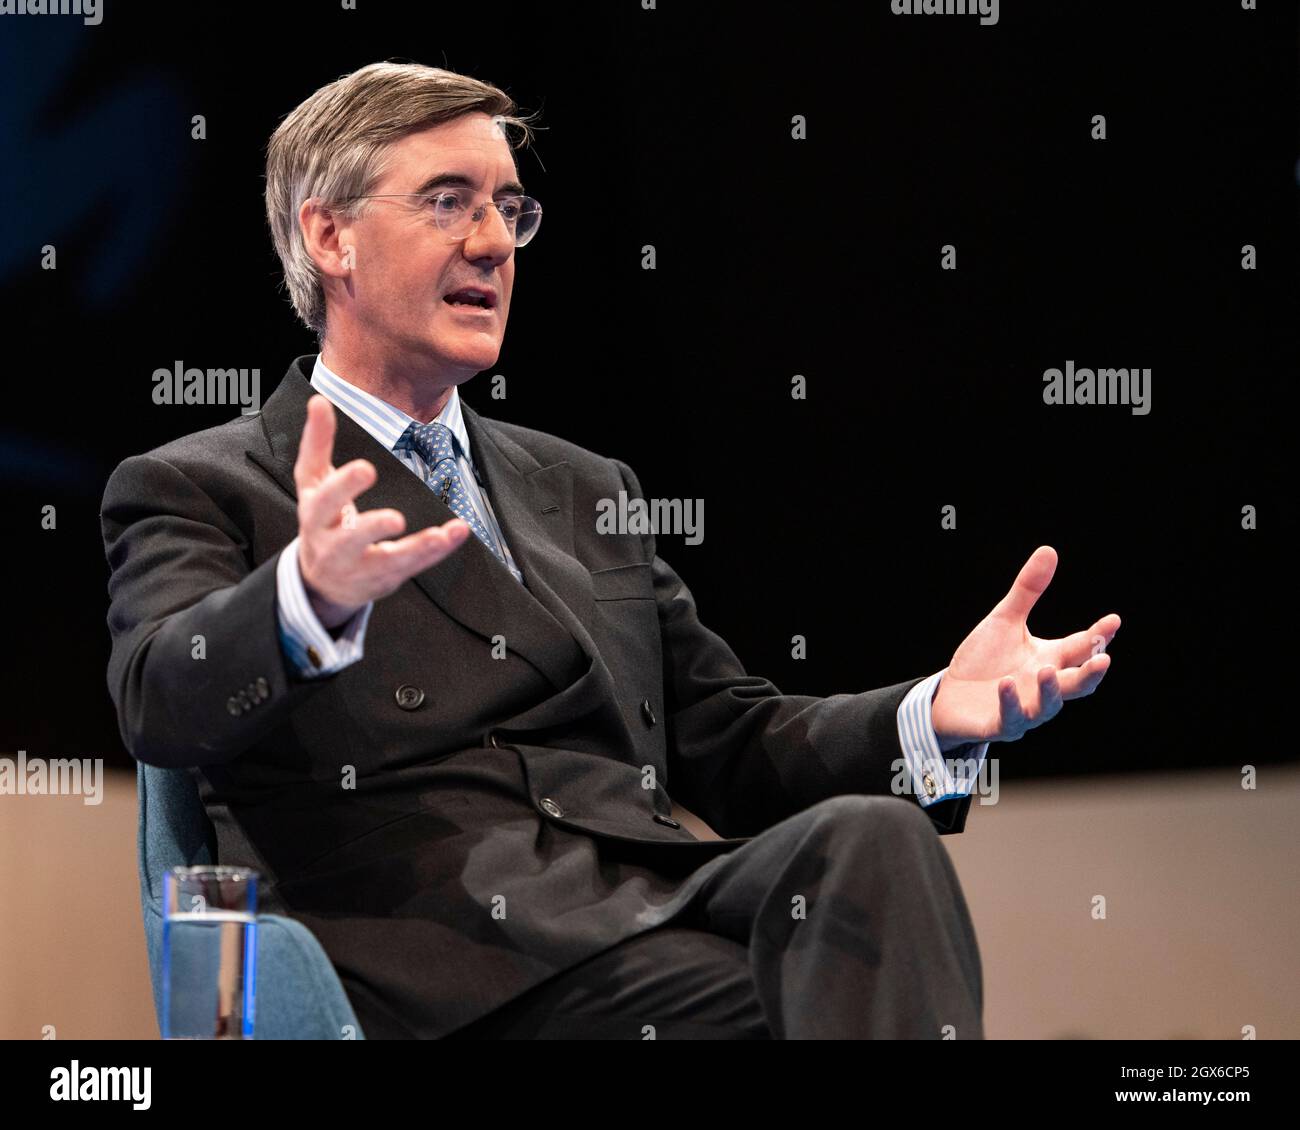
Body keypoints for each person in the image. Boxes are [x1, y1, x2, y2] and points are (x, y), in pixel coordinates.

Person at [101, 62, 1119, 1039]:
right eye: (449, 202)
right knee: (806, 1004)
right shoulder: (207, 482)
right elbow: (160, 701)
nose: (495, 241)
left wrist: (929, 714)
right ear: (331, 236)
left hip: (647, 900)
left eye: (510, 208)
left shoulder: (587, 487)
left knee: (873, 839)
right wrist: (300, 600)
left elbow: (727, 739)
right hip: (447, 967)